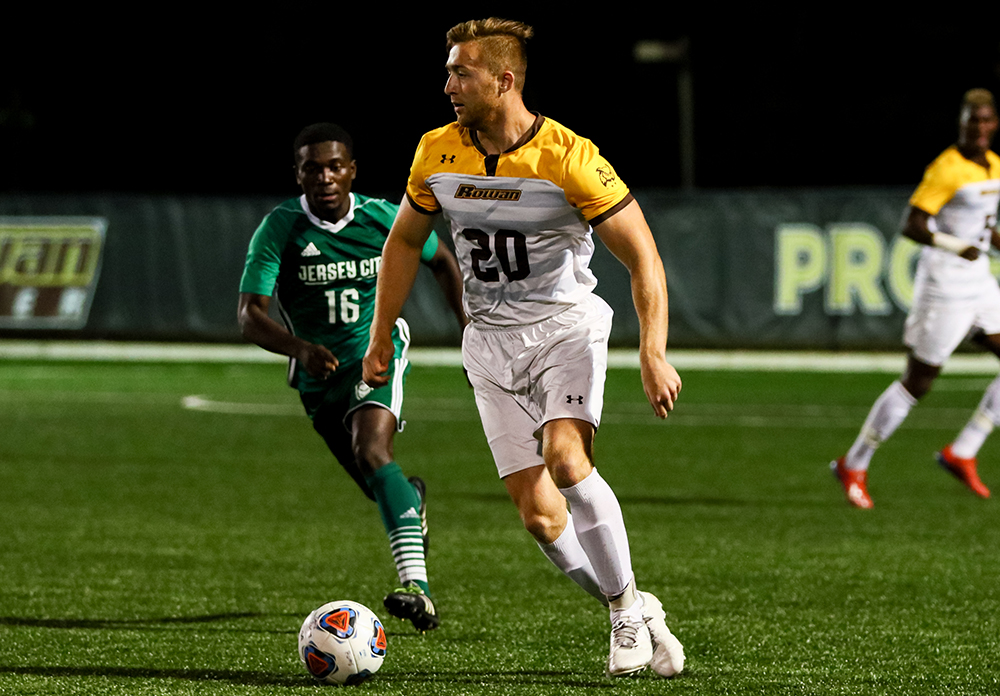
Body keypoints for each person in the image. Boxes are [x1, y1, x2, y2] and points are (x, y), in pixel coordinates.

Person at [361, 18, 685, 678]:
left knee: (566, 463)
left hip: (565, 331)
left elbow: (643, 256)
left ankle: (623, 612)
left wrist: (653, 350)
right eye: (449, 71)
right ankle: (638, 606)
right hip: (488, 344)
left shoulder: (569, 157)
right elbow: (401, 243)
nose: (447, 84)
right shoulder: (435, 152)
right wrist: (377, 339)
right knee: (540, 517)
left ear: (503, 81)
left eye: (461, 72)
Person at [238, 122, 467, 630]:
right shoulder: (280, 228)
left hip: (375, 356)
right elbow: (249, 314)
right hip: (317, 379)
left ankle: (418, 589)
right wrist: (299, 347)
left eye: (334, 166)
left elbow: (444, 263)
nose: (325, 176)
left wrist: (467, 331)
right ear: (298, 174)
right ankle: (412, 500)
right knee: (378, 482)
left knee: (372, 452)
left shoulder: (384, 218)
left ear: (352, 171)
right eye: (312, 167)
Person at [832, 88, 1000, 509]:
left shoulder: (994, 164)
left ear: (994, 123)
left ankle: (963, 451)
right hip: (944, 284)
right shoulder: (946, 167)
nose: (978, 128)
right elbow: (913, 225)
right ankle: (853, 462)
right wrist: (952, 243)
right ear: (961, 124)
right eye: (971, 120)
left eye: (985, 120)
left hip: (979, 281)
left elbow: (983, 227)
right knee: (919, 382)